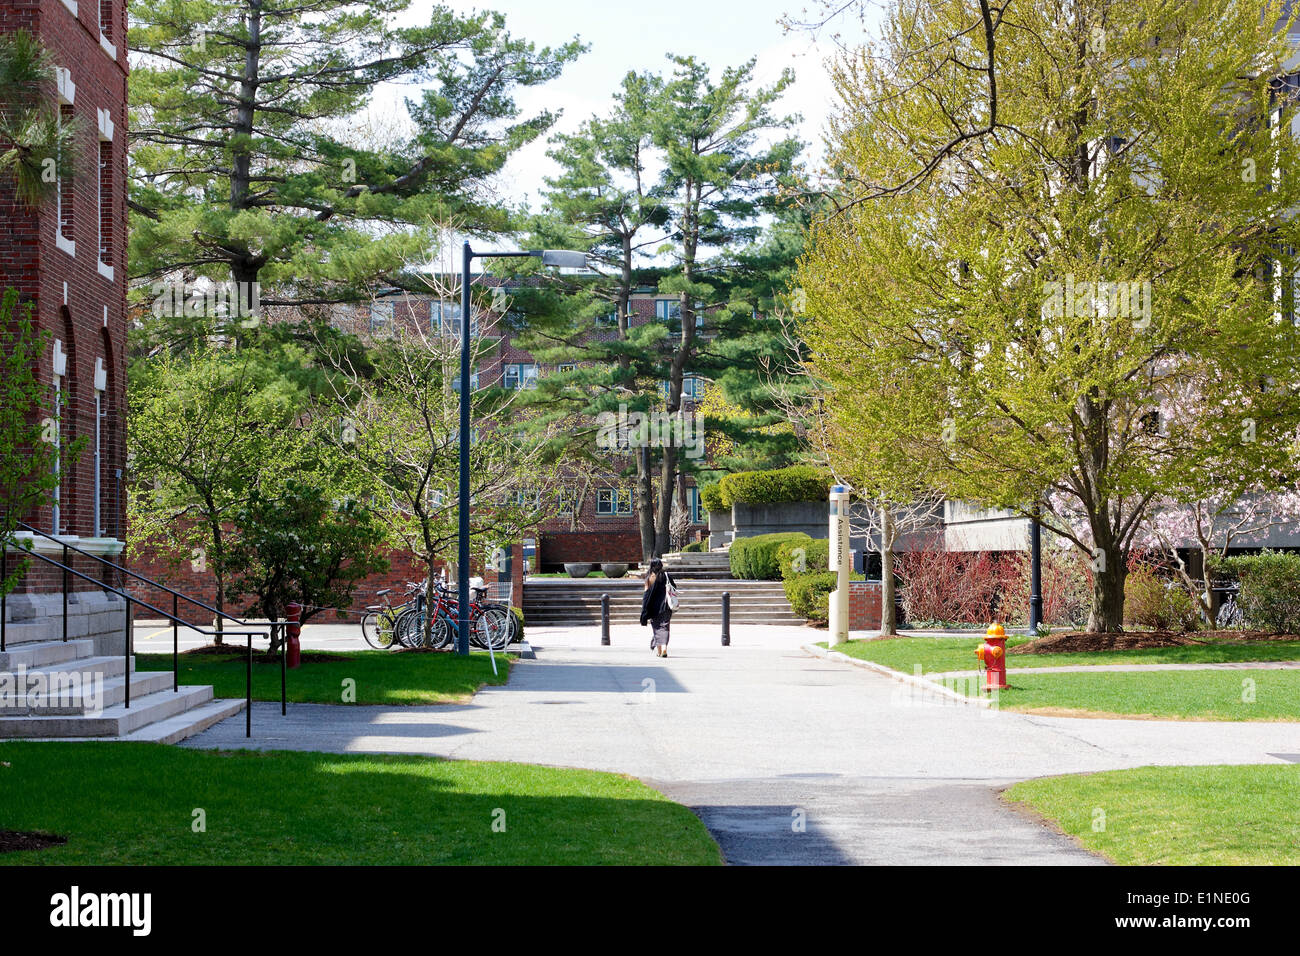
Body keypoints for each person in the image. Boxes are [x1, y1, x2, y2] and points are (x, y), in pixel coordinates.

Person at [640, 557, 673, 658]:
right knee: (665, 627)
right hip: (665, 606)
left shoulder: (649, 578)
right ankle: (663, 649)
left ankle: (659, 651)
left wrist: (644, 609)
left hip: (654, 608)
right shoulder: (666, 576)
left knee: (657, 628)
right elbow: (674, 587)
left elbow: (646, 594)